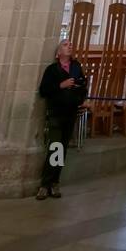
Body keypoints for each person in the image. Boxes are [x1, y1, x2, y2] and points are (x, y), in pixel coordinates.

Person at [36, 39, 87, 199]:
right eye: (65, 44)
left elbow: (83, 86)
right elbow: (44, 90)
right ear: (58, 53)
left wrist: (79, 97)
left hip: (70, 112)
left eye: (71, 44)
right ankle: (46, 184)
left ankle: (54, 182)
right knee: (55, 147)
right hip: (57, 112)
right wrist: (61, 85)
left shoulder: (76, 67)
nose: (70, 46)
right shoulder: (52, 70)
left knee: (62, 148)